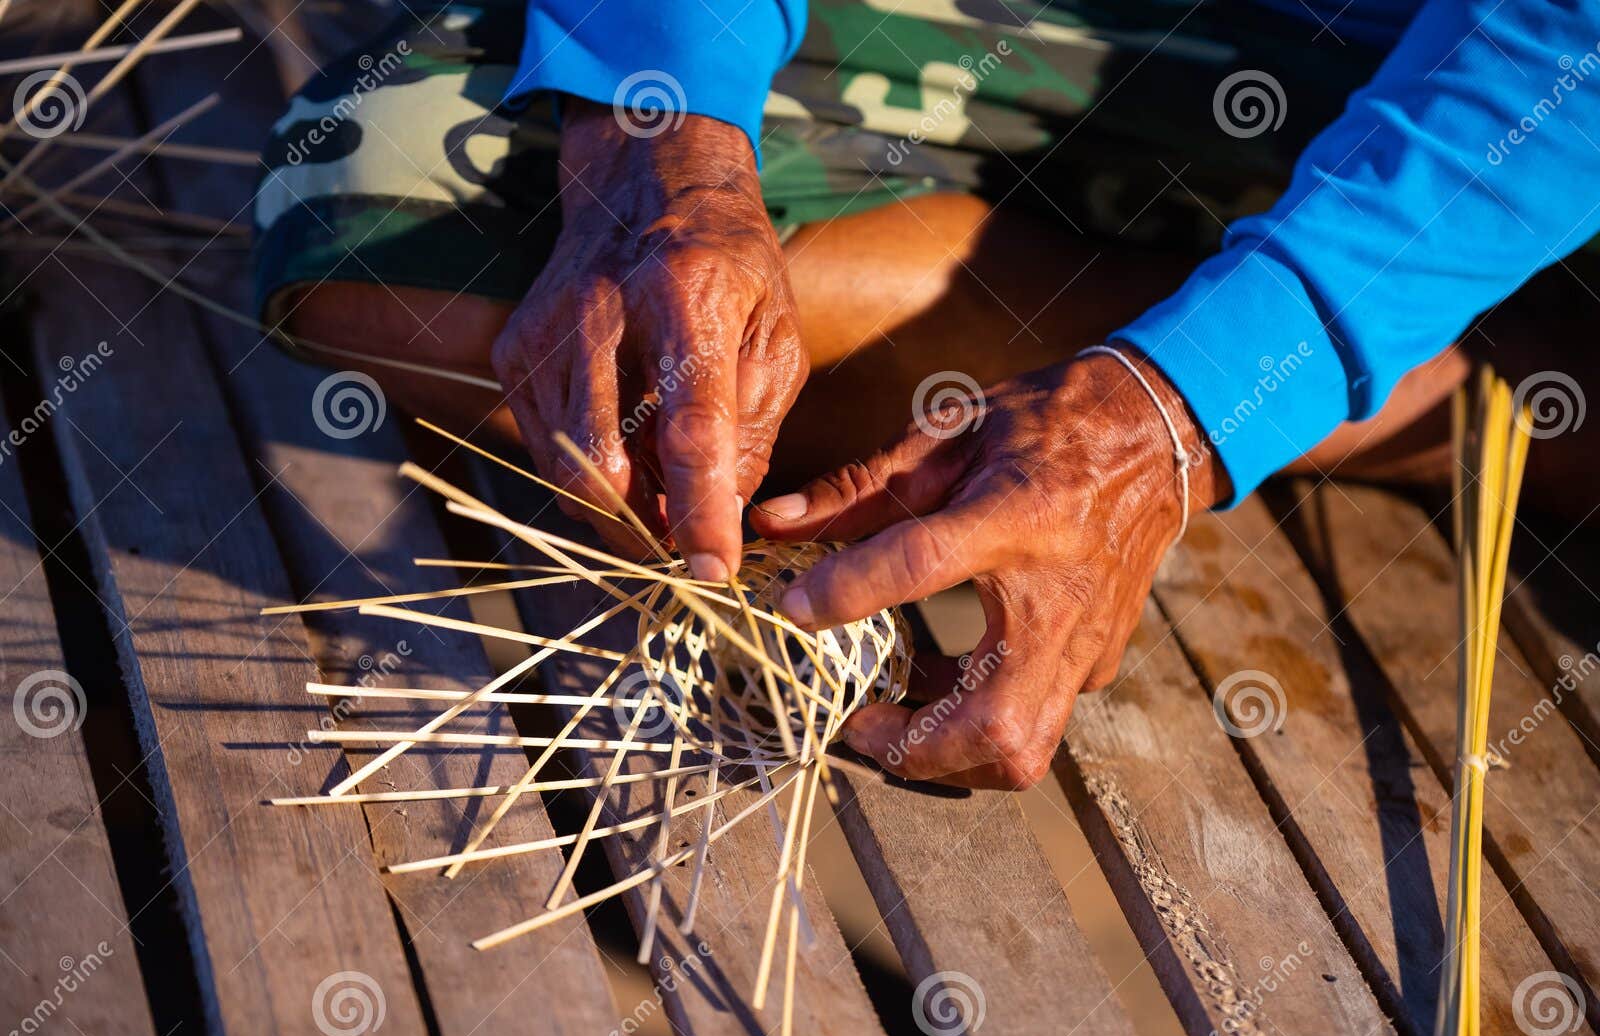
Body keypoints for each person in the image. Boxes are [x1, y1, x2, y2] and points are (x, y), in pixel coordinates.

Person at [254, 0, 1599, 790]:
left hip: (1502, 74)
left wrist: (1173, 418)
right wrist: (667, 144)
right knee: (369, 203)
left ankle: (1453, 357)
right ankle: (1389, 332)